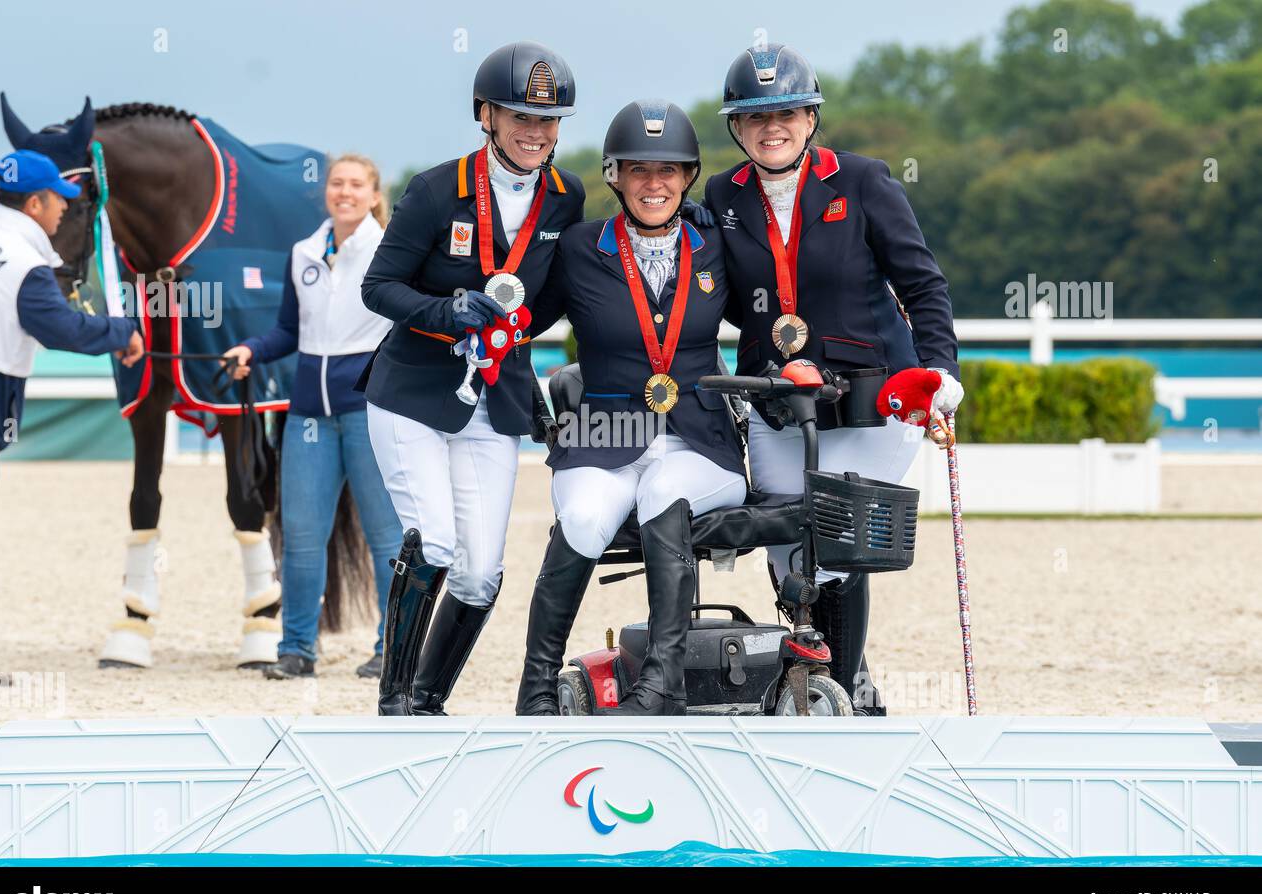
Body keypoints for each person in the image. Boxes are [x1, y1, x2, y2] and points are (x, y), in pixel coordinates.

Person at [704, 43, 963, 715]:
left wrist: (941, 371)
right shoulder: (722, 195)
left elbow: (923, 285)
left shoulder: (865, 181)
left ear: (811, 118)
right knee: (788, 550)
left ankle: (839, 695)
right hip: (778, 396)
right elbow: (719, 297)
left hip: (871, 395)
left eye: (787, 113)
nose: (772, 127)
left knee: (836, 542)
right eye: (755, 117)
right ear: (737, 127)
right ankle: (843, 686)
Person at [359, 41, 585, 715]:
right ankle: (394, 700)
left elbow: (555, 294)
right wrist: (446, 311)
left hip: (497, 398)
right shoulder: (436, 189)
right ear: (485, 114)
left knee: (481, 572)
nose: (534, 132)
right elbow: (378, 286)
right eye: (519, 116)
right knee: (433, 541)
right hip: (413, 394)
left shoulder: (566, 198)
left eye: (547, 120)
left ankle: (429, 701)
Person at [515, 100, 746, 717]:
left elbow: (776, 304)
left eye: (668, 170)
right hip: (603, 434)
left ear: (689, 176)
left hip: (700, 442)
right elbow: (519, 321)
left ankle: (661, 683)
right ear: (614, 175)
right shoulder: (579, 248)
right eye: (638, 169)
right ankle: (535, 686)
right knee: (584, 518)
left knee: (663, 491)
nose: (653, 183)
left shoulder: (716, 245)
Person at [0, 149, 143, 685]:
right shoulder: (25, 263)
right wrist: (123, 331)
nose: (65, 209)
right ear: (35, 203)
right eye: (59, 200)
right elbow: (63, 330)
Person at [223, 155, 403, 680]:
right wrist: (252, 350)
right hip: (307, 413)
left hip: (369, 409)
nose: (344, 192)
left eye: (356, 184)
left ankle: (394, 648)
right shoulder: (303, 251)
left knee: (386, 537)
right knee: (301, 538)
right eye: (336, 183)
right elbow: (288, 330)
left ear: (374, 195)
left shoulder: (391, 251)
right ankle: (297, 649)